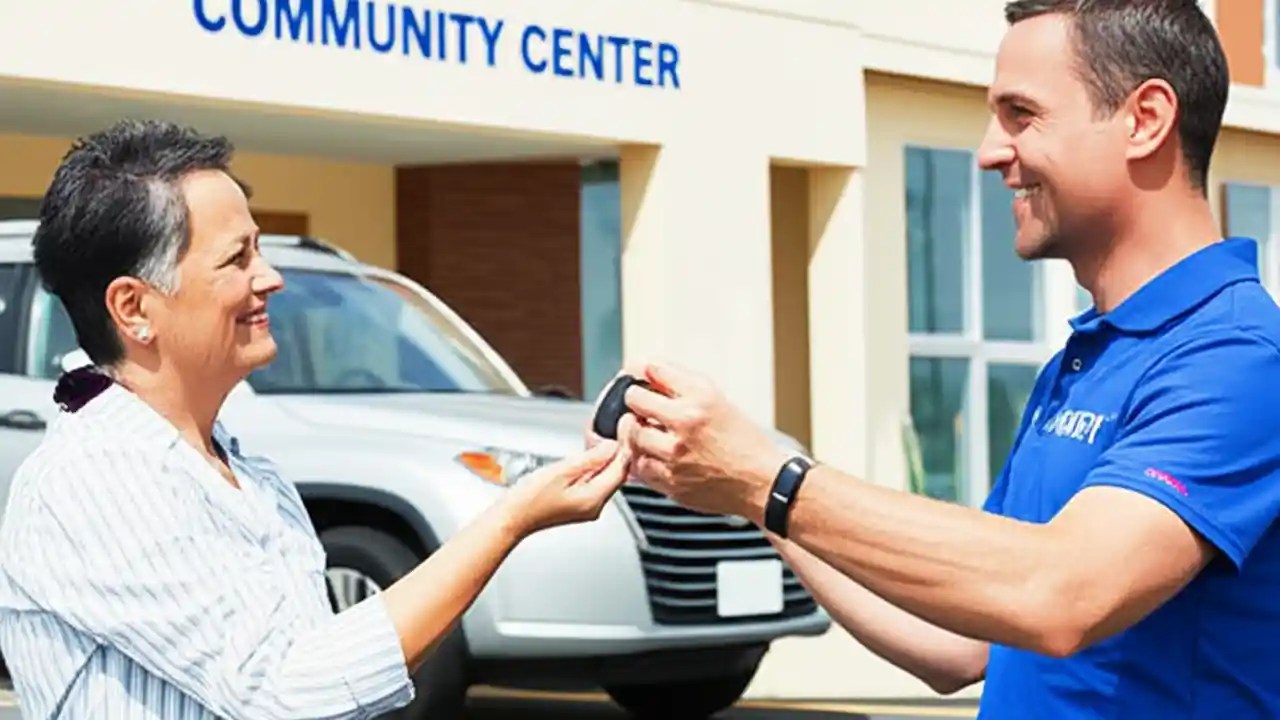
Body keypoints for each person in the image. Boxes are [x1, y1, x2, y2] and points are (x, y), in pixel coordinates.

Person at [595, 1, 1280, 718]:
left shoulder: (1238, 358)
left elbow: (1060, 593)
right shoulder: (1085, 361)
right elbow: (957, 641)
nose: (989, 151)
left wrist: (763, 473)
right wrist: (743, 489)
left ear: (1145, 119)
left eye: (1021, 114)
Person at [0, 119, 632, 720]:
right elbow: (287, 692)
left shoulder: (250, 475)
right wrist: (509, 520)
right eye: (237, 259)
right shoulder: (95, 482)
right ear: (133, 307)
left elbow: (323, 673)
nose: (269, 278)